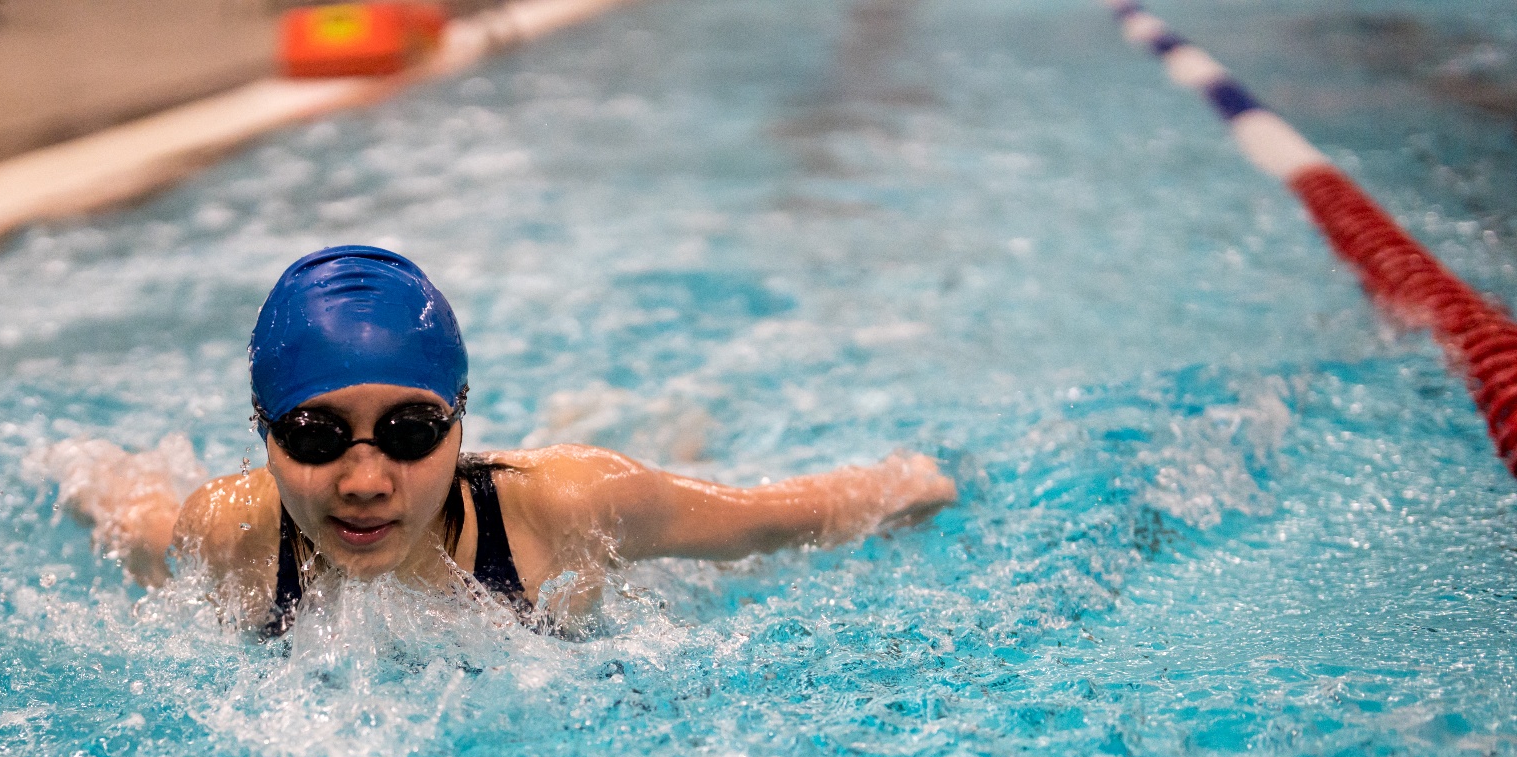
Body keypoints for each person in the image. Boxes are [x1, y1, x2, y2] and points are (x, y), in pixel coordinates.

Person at [47, 245, 957, 634]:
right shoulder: (230, 534)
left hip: (556, 493)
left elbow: (765, 520)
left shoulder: (570, 510)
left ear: (459, 418)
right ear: (263, 434)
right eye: (318, 435)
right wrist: (76, 474)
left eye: (410, 430)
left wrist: (916, 485)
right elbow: (136, 526)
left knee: (645, 441)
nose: (365, 478)